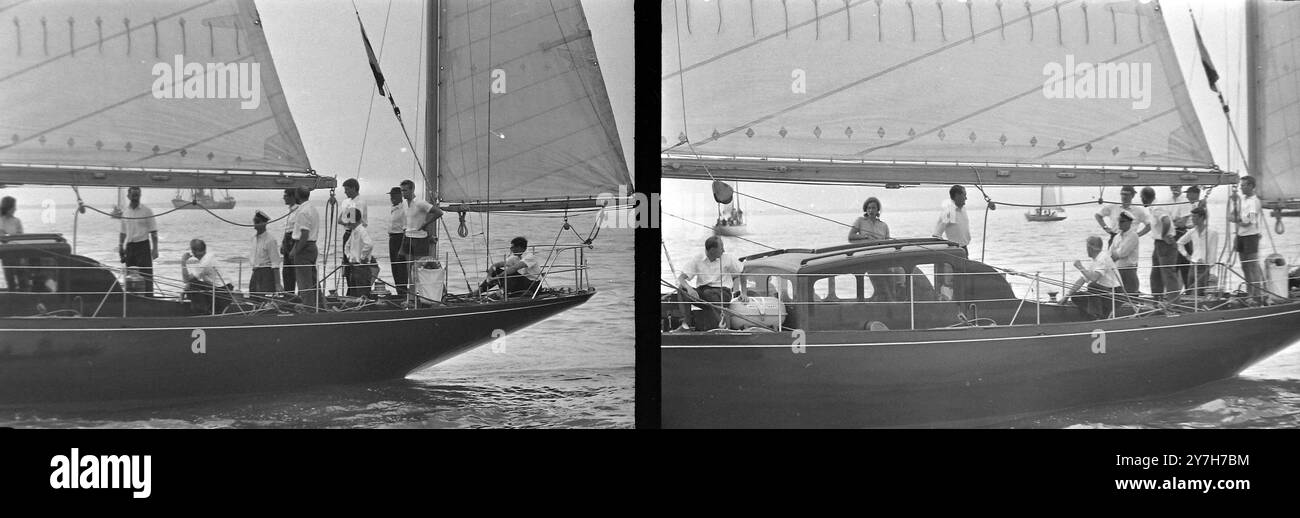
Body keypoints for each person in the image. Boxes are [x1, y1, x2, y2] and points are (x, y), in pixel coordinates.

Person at [674, 236, 744, 331]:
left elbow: (743, 271)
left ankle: (723, 326)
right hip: (704, 294)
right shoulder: (698, 259)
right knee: (682, 289)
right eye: (721, 248)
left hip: (723, 293)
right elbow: (681, 278)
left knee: (709, 293)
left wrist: (744, 293)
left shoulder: (728, 258)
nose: (723, 250)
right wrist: (689, 289)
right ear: (712, 250)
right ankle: (686, 325)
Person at [399, 179, 444, 288]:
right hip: (408, 237)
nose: (403, 193)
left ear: (412, 189)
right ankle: (412, 296)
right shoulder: (404, 204)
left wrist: (426, 223)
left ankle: (424, 293)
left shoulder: (420, 203)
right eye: (402, 190)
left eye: (405, 190)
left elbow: (439, 212)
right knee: (409, 268)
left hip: (419, 238)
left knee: (419, 268)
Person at [1066, 235, 1123, 320]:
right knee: (1076, 296)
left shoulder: (1103, 258)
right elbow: (1082, 280)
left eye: (1087, 247)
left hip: (1115, 294)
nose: (1086, 250)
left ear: (1092, 247)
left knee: (1092, 286)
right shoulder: (1095, 260)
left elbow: (1094, 278)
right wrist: (1067, 296)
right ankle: (1093, 315)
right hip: (1104, 293)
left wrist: (1080, 267)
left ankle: (1097, 316)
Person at [116, 187, 159, 295]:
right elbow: (122, 232)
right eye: (134, 195)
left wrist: (155, 249)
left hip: (143, 246)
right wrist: (121, 246)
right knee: (130, 276)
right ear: (128, 196)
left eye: (137, 195)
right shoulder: (125, 212)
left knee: (146, 275)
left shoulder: (147, 211)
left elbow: (153, 232)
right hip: (130, 246)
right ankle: (131, 298)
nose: (136, 197)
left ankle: (149, 298)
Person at [1143, 187, 1181, 303]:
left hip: (1165, 243)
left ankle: (1174, 302)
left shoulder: (1157, 208)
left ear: (1144, 197)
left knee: (1168, 274)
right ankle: (1157, 298)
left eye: (1141, 198)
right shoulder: (1153, 207)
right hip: (1158, 243)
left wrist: (1164, 235)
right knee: (1156, 272)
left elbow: (1166, 221)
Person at [287, 186, 321, 308]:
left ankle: (309, 308)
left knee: (304, 282)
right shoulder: (312, 208)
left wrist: (295, 250)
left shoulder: (302, 211)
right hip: (312, 247)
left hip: (304, 248)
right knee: (313, 281)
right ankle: (320, 306)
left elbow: (304, 235)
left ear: (297, 195)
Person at [1233, 175, 1264, 303]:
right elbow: (1234, 216)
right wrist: (1239, 222)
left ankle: (1257, 295)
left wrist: (1239, 220)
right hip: (1241, 235)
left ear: (1251, 186)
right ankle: (1250, 293)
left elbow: (1250, 220)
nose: (1241, 187)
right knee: (1244, 266)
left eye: (1243, 185)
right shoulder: (1242, 200)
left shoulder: (1254, 201)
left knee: (1252, 266)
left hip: (1251, 236)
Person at [1177, 206, 1219, 296]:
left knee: (1197, 293)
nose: (1192, 219)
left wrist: (1211, 271)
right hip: (1193, 265)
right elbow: (1180, 243)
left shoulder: (1212, 233)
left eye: (1194, 217)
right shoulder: (1192, 232)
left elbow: (1213, 252)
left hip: (1204, 267)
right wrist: (1187, 256)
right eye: (1192, 217)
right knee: (1189, 291)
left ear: (1202, 218)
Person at [336, 178, 367, 288]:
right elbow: (340, 220)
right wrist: (345, 220)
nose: (345, 192)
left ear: (354, 188)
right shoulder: (347, 202)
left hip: (356, 233)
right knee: (347, 261)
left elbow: (353, 220)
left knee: (355, 262)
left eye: (347, 189)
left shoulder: (359, 202)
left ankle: (356, 289)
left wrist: (345, 220)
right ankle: (350, 288)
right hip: (348, 233)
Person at [180, 239, 222, 313]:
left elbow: (186, 279)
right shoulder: (208, 257)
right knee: (193, 283)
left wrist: (183, 262)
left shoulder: (204, 263)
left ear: (194, 252)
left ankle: (201, 310)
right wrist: (184, 291)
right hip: (222, 288)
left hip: (221, 292)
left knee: (193, 285)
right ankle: (201, 307)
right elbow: (192, 280)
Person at [342, 207, 375, 296]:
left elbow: (369, 244)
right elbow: (346, 246)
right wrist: (349, 257)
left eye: (350, 219)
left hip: (362, 267)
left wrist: (362, 257)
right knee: (354, 292)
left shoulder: (362, 230)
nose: (348, 222)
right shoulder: (353, 231)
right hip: (354, 266)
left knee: (362, 293)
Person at [248, 210, 283, 296]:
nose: (255, 224)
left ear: (264, 223)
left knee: (264, 300)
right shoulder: (253, 239)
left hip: (266, 273)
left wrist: (278, 283)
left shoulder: (270, 240)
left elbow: (275, 263)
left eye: (257, 222)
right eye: (254, 221)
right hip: (255, 272)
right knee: (253, 297)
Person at [1109, 211, 1141, 294]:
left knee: (1129, 293)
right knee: (1117, 295)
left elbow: (1122, 253)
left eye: (1122, 221)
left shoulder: (1133, 236)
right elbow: (1110, 252)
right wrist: (1112, 256)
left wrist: (1114, 255)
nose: (1119, 223)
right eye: (1119, 221)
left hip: (1128, 270)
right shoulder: (1117, 236)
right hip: (1117, 269)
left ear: (1129, 222)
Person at [387, 186, 408, 295]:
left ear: (400, 196)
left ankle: (403, 292)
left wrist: (402, 248)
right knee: (394, 266)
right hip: (392, 238)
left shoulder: (403, 210)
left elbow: (405, 230)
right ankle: (399, 291)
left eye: (394, 196)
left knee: (401, 267)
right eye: (391, 196)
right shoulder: (393, 209)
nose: (392, 198)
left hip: (399, 238)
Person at [279, 188, 299, 293]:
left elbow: (298, 230)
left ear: (292, 197)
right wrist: (283, 243)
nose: (284, 198)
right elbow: (287, 228)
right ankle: (289, 295)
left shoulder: (298, 211)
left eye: (286, 195)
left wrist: (295, 248)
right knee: (287, 272)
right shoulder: (289, 211)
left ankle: (300, 296)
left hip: (294, 240)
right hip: (287, 240)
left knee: (296, 271)